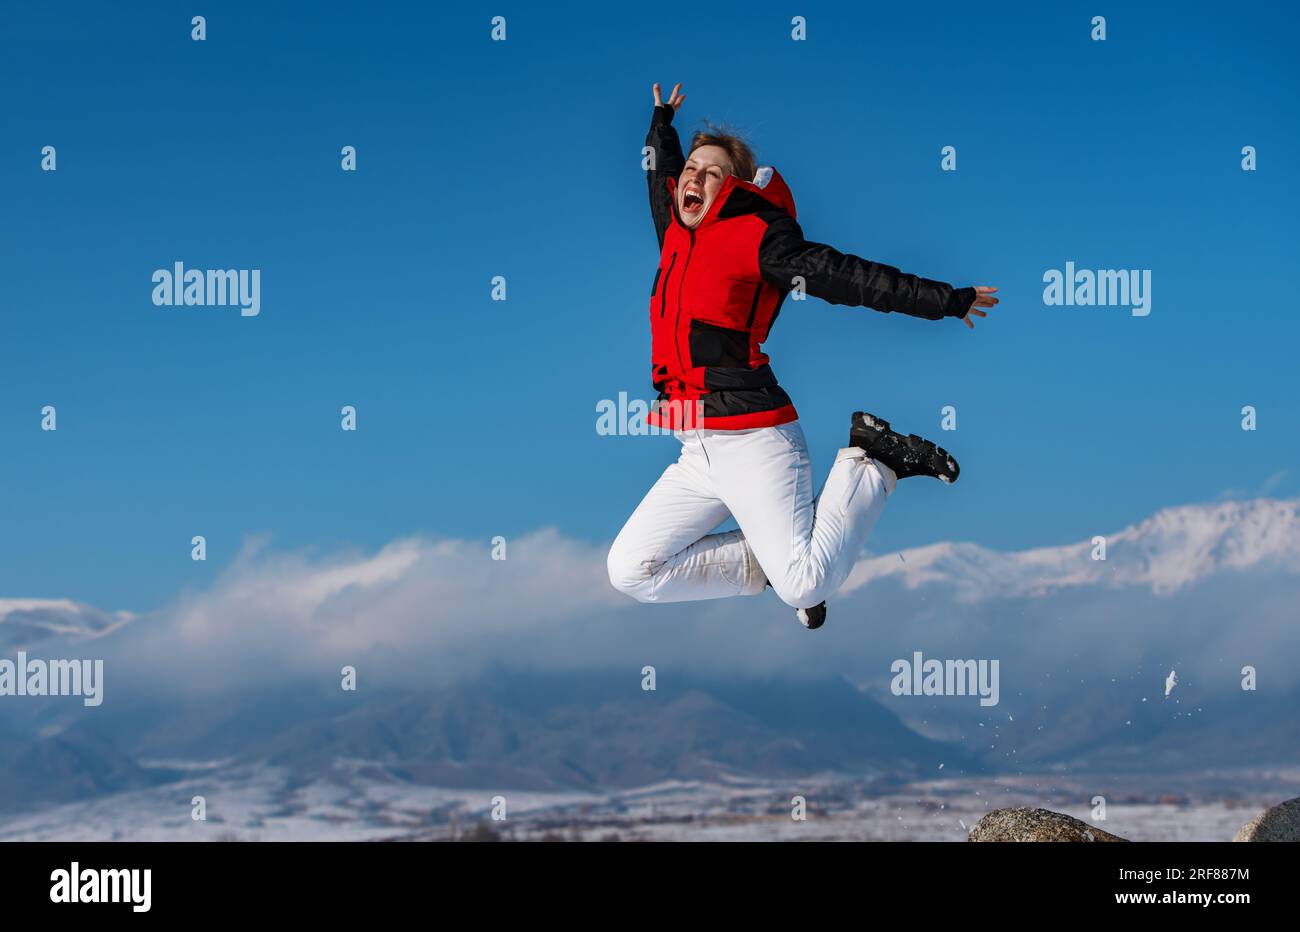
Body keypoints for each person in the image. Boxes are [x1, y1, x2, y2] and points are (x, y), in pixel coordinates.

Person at [607, 83, 998, 629]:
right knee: (631, 570)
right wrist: (661, 123)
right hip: (695, 447)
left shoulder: (760, 241)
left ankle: (872, 458)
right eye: (691, 170)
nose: (693, 178)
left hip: (753, 437)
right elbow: (660, 172)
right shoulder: (674, 227)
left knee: (807, 583)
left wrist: (946, 301)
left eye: (711, 173)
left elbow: (850, 278)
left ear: (731, 189)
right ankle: (762, 566)